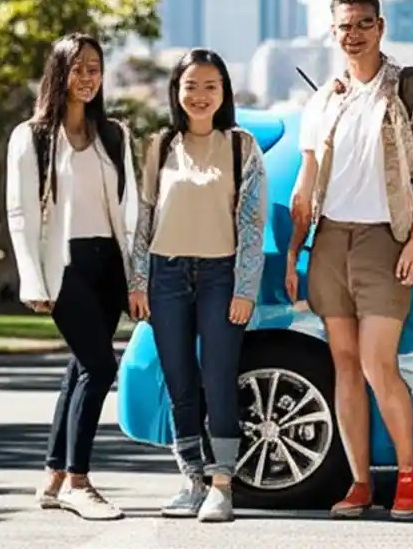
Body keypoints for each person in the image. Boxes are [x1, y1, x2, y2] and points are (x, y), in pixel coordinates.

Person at [285, 0, 413, 519]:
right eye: (344, 26)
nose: (353, 35)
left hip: (385, 238)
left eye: (362, 24)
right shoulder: (324, 99)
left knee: (380, 363)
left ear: (380, 27)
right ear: (332, 32)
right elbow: (306, 184)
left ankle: (408, 476)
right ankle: (359, 483)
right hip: (331, 240)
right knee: (345, 364)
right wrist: (293, 254)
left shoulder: (412, 86)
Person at [5, 32, 141, 521]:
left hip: (109, 264)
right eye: (78, 68)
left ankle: (54, 475)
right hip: (64, 266)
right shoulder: (32, 136)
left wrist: (135, 276)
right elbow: (20, 213)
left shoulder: (114, 135)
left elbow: (131, 209)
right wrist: (32, 280)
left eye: (95, 68)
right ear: (59, 73)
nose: (87, 77)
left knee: (81, 368)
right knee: (101, 368)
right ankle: (79, 482)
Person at [128, 49, 267, 523]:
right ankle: (191, 480)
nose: (200, 95)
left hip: (220, 276)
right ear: (177, 91)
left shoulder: (241, 146)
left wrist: (244, 289)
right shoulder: (159, 146)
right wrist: (138, 283)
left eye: (211, 86)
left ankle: (222, 485)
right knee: (180, 382)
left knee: (219, 378)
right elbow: (143, 220)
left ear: (224, 91)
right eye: (191, 86)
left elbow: (251, 225)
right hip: (165, 275)